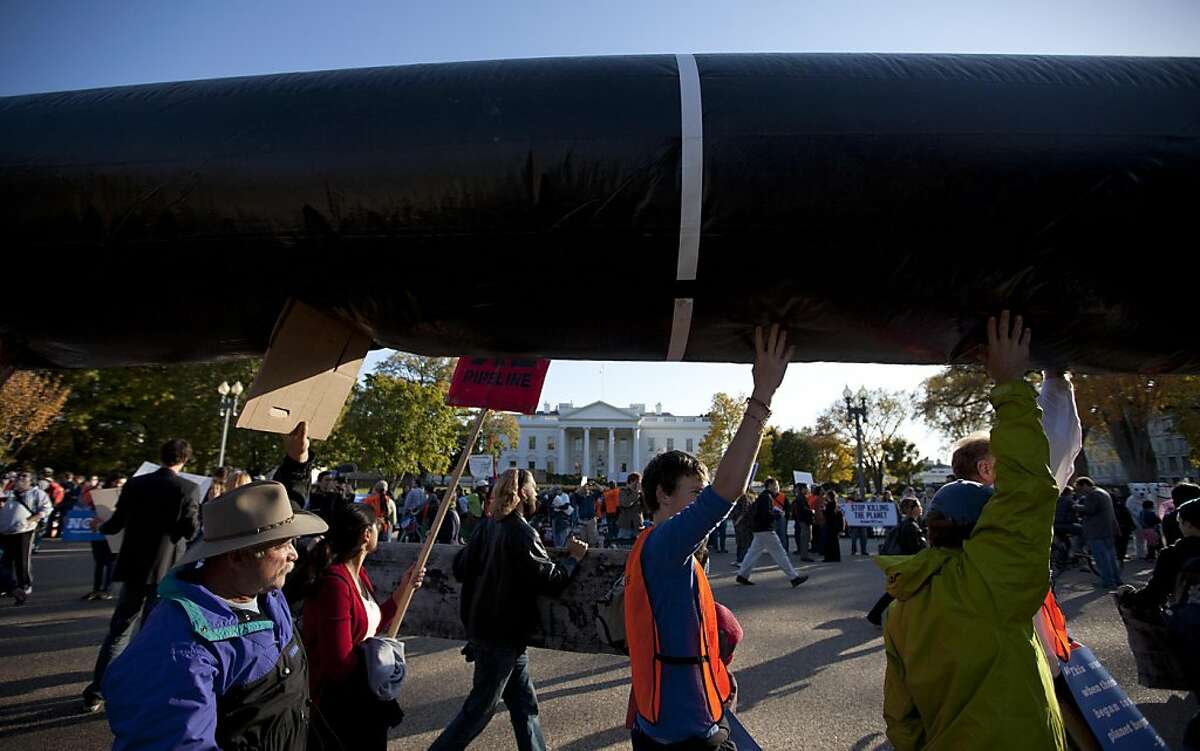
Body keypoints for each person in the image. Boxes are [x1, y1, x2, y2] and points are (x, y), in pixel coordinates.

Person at [878, 311, 1065, 751]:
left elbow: (900, 715)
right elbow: (1029, 490)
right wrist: (1009, 385)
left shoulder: (902, 606)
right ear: (987, 529)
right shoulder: (995, 580)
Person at [625, 324, 791, 749]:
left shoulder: (654, 545)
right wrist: (763, 396)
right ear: (663, 495)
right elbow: (727, 492)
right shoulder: (666, 544)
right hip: (686, 731)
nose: (702, 503)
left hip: (666, 721)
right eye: (694, 493)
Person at [103, 480, 329, 749]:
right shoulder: (180, 651)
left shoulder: (262, 589)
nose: (294, 554)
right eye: (282, 544)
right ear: (238, 557)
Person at [431, 468, 587, 751]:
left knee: (524, 705)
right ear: (524, 494)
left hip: (495, 631)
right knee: (478, 711)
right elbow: (550, 581)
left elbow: (460, 567)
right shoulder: (522, 532)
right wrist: (573, 559)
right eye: (534, 488)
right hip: (501, 634)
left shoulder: (487, 527)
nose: (537, 493)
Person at [82, 438, 200, 714]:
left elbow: (116, 524)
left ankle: (98, 691)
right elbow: (190, 530)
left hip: (134, 565)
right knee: (153, 632)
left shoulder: (136, 484)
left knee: (119, 631)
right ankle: (141, 689)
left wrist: (101, 525)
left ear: (161, 456)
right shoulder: (188, 488)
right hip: (166, 567)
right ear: (185, 459)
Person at [302, 503, 424, 749]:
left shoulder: (359, 575)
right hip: (340, 707)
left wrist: (404, 588)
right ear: (366, 534)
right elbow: (338, 663)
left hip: (358, 696)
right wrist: (377, 663)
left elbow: (370, 625)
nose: (382, 527)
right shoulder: (335, 584)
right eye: (377, 524)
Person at [1117, 498, 1200, 749]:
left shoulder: (1175, 553)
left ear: (1188, 524)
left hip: (1193, 632)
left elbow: (1152, 596)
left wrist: (1127, 597)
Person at [736, 476, 808, 587]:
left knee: (752, 554)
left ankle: (742, 575)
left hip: (759, 529)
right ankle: (793, 577)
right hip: (766, 529)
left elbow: (763, 514)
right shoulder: (767, 497)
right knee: (780, 554)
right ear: (770, 486)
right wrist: (777, 515)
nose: (777, 487)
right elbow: (766, 515)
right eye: (776, 485)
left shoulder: (763, 496)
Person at [866, 498, 926, 626]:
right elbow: (914, 548)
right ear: (911, 509)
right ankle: (877, 614)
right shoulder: (911, 526)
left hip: (904, 562)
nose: (921, 508)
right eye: (918, 506)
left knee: (897, 590)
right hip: (909, 563)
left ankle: (875, 614)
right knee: (900, 590)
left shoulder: (906, 524)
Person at [0, 470, 52, 604]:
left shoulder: (37, 493)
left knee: (22, 559)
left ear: (31, 480)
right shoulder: (10, 492)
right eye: (19, 476)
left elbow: (46, 509)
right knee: (5, 560)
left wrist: (29, 520)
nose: (20, 478)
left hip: (24, 530)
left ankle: (24, 585)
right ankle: (7, 587)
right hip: (6, 531)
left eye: (24, 476)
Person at [82, 474, 125, 601]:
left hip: (115, 533)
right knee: (99, 562)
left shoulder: (127, 496)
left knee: (111, 562)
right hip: (99, 531)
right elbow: (84, 503)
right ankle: (96, 589)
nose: (119, 485)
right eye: (117, 482)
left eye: (122, 483)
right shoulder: (100, 495)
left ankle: (107, 590)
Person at [1075, 477, 1123, 589]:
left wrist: (1076, 506)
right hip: (1108, 529)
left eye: (1080, 488)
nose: (1081, 492)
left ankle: (1108, 581)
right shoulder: (1103, 492)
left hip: (1096, 530)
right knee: (1111, 556)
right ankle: (1116, 579)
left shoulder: (1093, 495)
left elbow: (1089, 510)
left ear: (1085, 485)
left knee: (1102, 558)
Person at [617, 474, 644, 546]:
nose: (638, 485)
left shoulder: (640, 493)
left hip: (637, 526)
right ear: (632, 481)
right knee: (623, 547)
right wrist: (636, 493)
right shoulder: (623, 491)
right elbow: (626, 503)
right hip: (625, 526)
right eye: (637, 482)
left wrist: (643, 493)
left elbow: (647, 508)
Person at [730, 490, 755, 566]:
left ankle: (743, 560)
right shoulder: (741, 496)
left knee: (744, 543)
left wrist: (737, 521)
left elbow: (744, 510)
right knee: (740, 542)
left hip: (744, 524)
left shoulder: (744, 497)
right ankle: (739, 560)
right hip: (740, 523)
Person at [572, 482, 600, 546]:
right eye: (585, 489)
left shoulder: (592, 497)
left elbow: (601, 490)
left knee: (592, 539)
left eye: (587, 489)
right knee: (583, 539)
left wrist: (595, 483)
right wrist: (583, 485)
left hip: (591, 520)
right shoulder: (579, 498)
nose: (586, 490)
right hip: (582, 520)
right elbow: (576, 493)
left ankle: (592, 550)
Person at [793, 483, 815, 561]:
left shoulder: (800, 497)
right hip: (804, 520)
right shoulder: (801, 498)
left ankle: (804, 554)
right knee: (805, 538)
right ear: (803, 489)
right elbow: (802, 508)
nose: (808, 490)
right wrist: (811, 511)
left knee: (806, 538)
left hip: (803, 520)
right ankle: (804, 555)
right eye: (806, 488)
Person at [822, 493, 845, 563]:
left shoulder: (829, 504)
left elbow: (828, 515)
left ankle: (829, 557)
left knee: (828, 542)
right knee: (835, 542)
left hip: (830, 525)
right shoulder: (836, 504)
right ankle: (836, 557)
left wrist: (823, 510)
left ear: (829, 496)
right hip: (835, 526)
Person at [848, 491, 871, 556]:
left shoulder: (861, 502)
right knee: (854, 538)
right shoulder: (850, 502)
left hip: (862, 523)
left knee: (864, 538)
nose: (857, 496)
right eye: (855, 495)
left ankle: (864, 551)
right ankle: (854, 551)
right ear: (853, 496)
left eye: (857, 495)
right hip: (854, 524)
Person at [602, 481, 621, 547]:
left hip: (614, 512)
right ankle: (613, 543)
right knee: (611, 528)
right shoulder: (613, 491)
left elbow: (604, 493)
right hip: (610, 512)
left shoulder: (615, 491)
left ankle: (614, 542)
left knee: (614, 528)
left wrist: (604, 489)